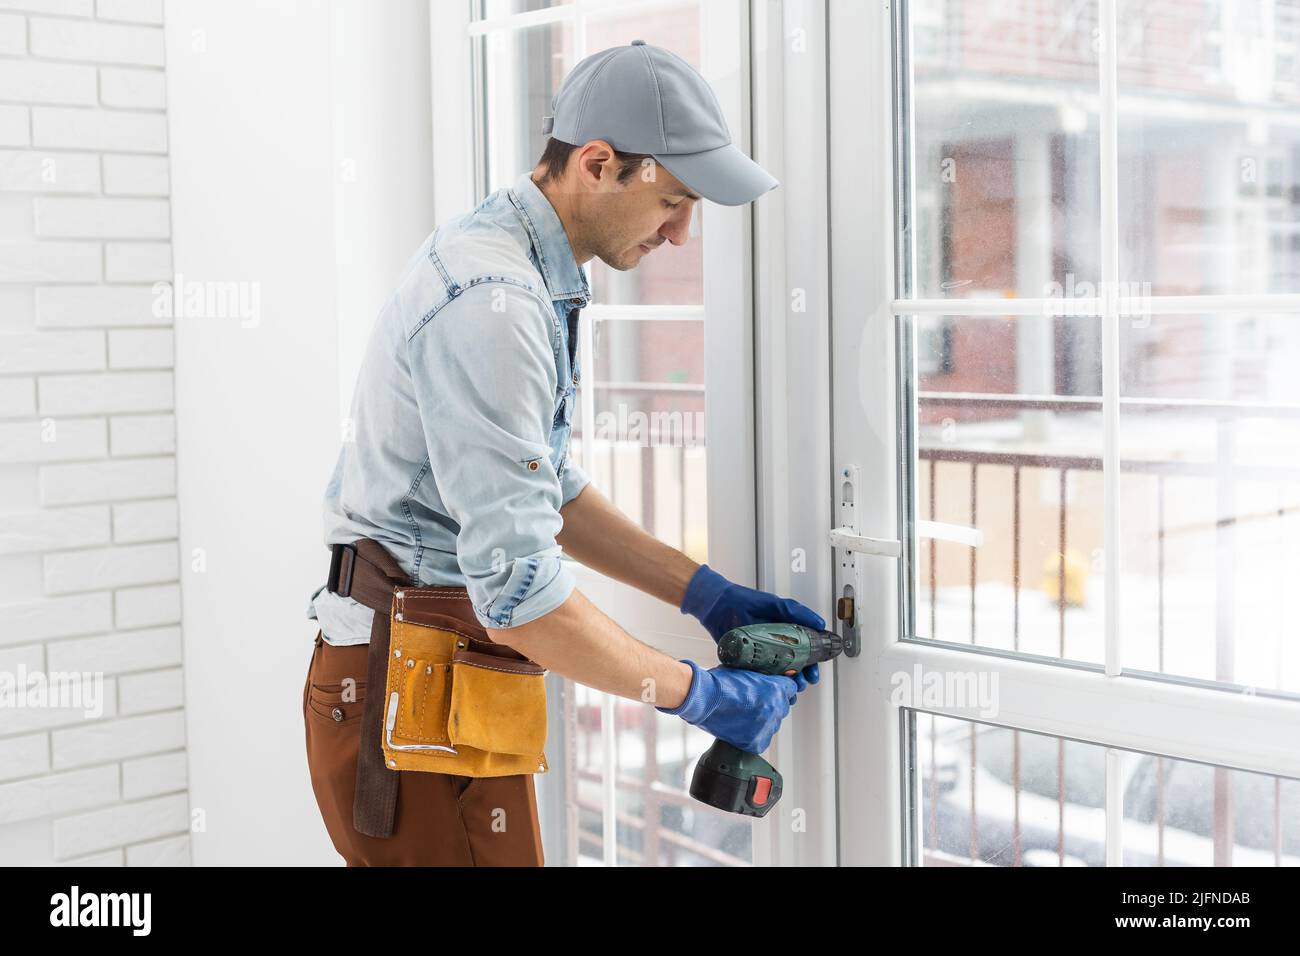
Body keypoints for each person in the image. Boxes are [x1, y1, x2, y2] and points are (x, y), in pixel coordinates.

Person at [301, 40, 825, 866]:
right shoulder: (496, 302)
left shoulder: (522, 267)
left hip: (443, 674)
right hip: (404, 693)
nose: (683, 234)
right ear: (597, 163)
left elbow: (543, 487)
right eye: (673, 202)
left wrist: (708, 595)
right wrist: (701, 697)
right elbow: (523, 594)